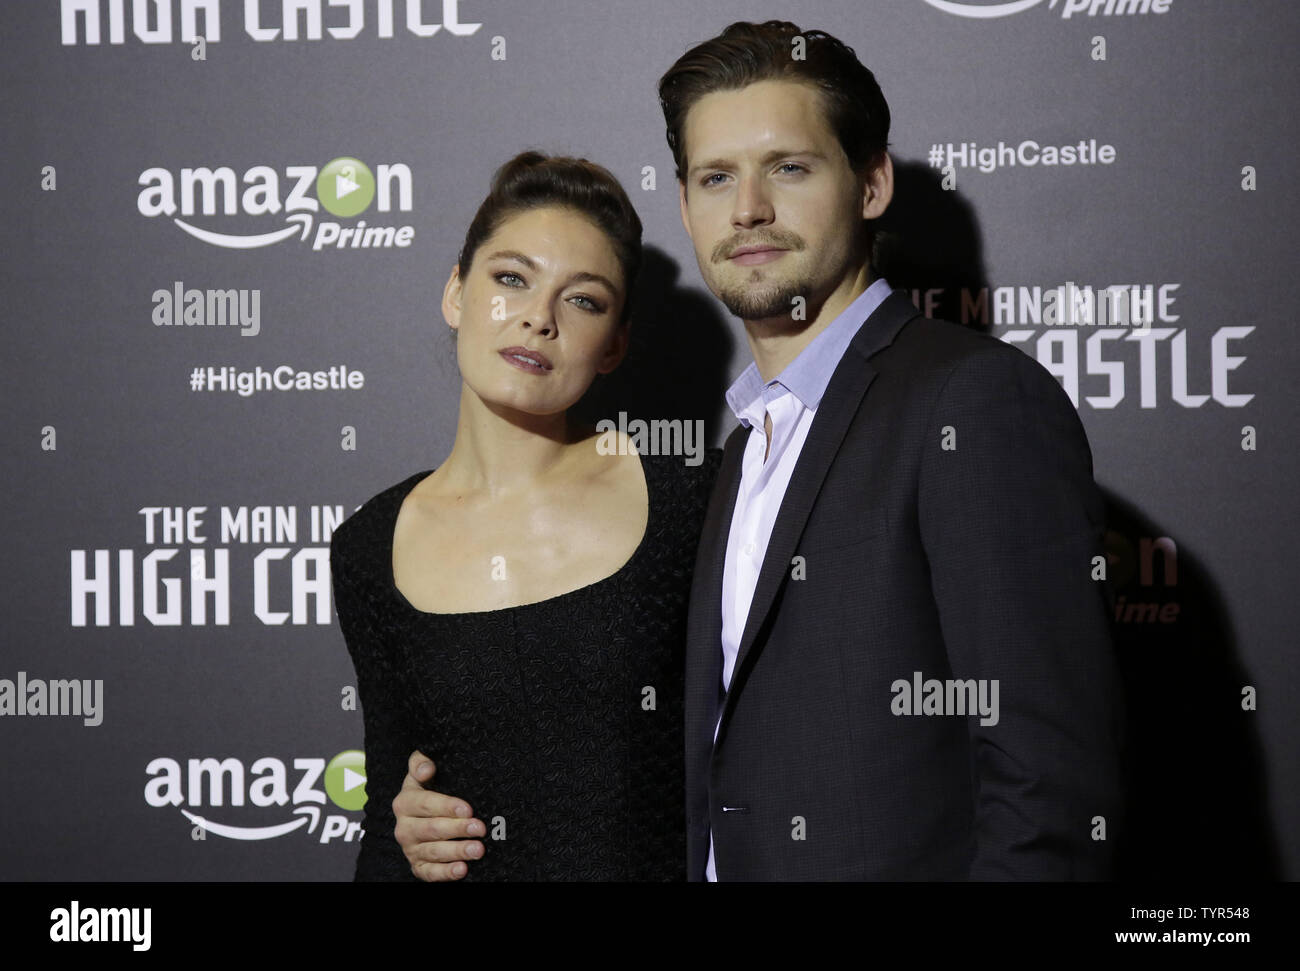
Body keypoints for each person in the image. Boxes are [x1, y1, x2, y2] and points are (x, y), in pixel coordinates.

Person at [397, 19, 1125, 882]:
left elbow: (1051, 789)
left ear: (873, 182)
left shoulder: (968, 400)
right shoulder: (738, 454)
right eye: (716, 177)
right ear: (685, 205)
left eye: (788, 167)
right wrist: (438, 805)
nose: (747, 209)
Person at [329, 150, 721, 881]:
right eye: (512, 279)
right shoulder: (369, 545)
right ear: (456, 292)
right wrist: (407, 827)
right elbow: (392, 824)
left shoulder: (689, 499)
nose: (538, 318)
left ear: (614, 346)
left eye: (584, 300)